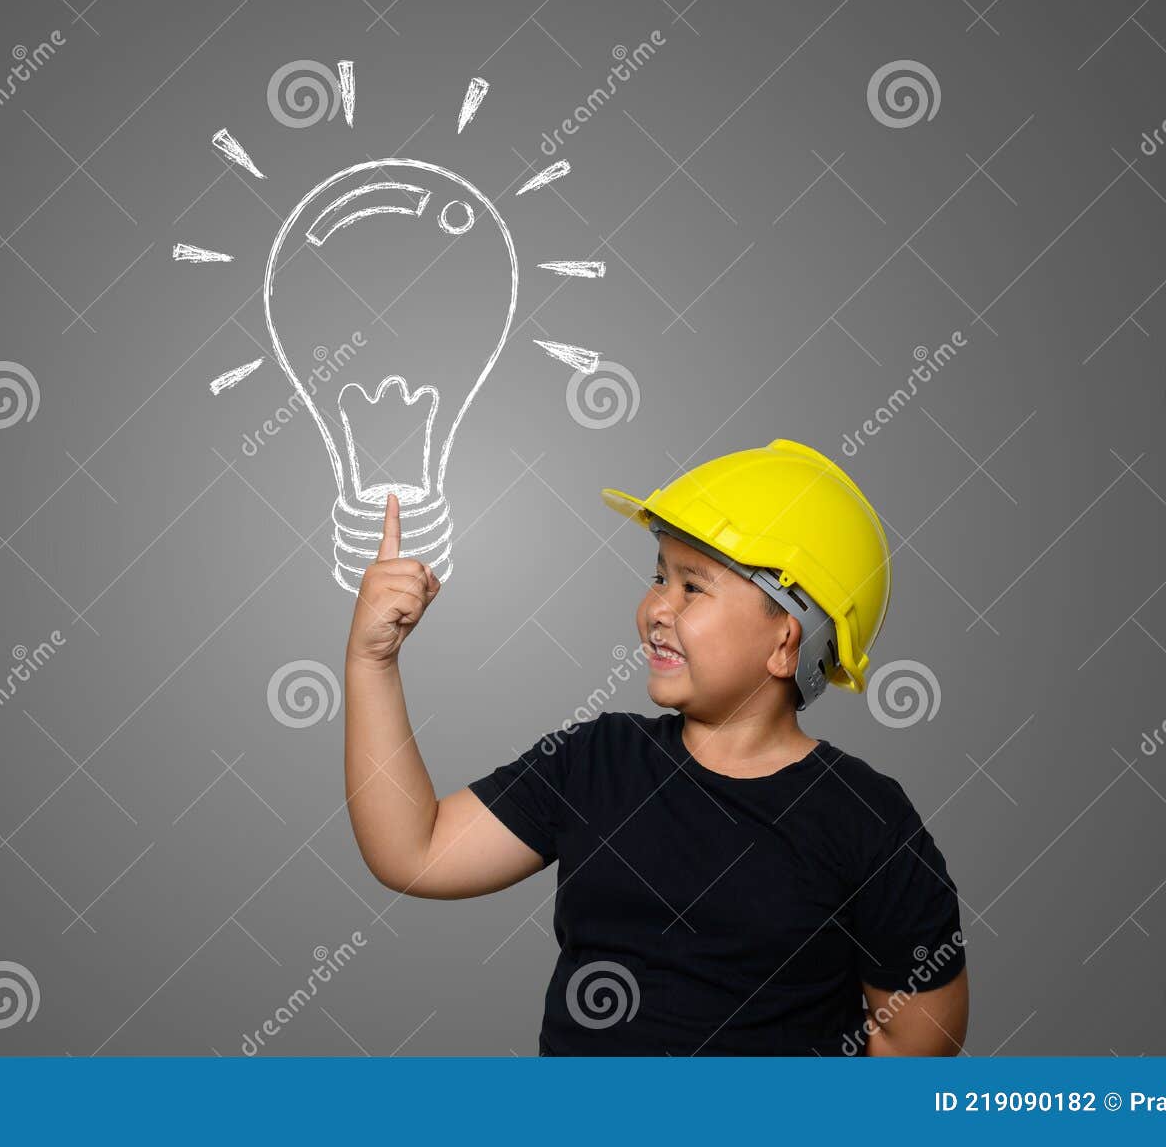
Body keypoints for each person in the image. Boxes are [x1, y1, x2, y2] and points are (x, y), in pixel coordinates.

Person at [342, 438, 968, 1055]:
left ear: (786, 643)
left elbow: (915, 1047)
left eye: (692, 587)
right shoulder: (596, 762)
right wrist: (373, 661)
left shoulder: (866, 820)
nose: (655, 609)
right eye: (659, 576)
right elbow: (414, 850)